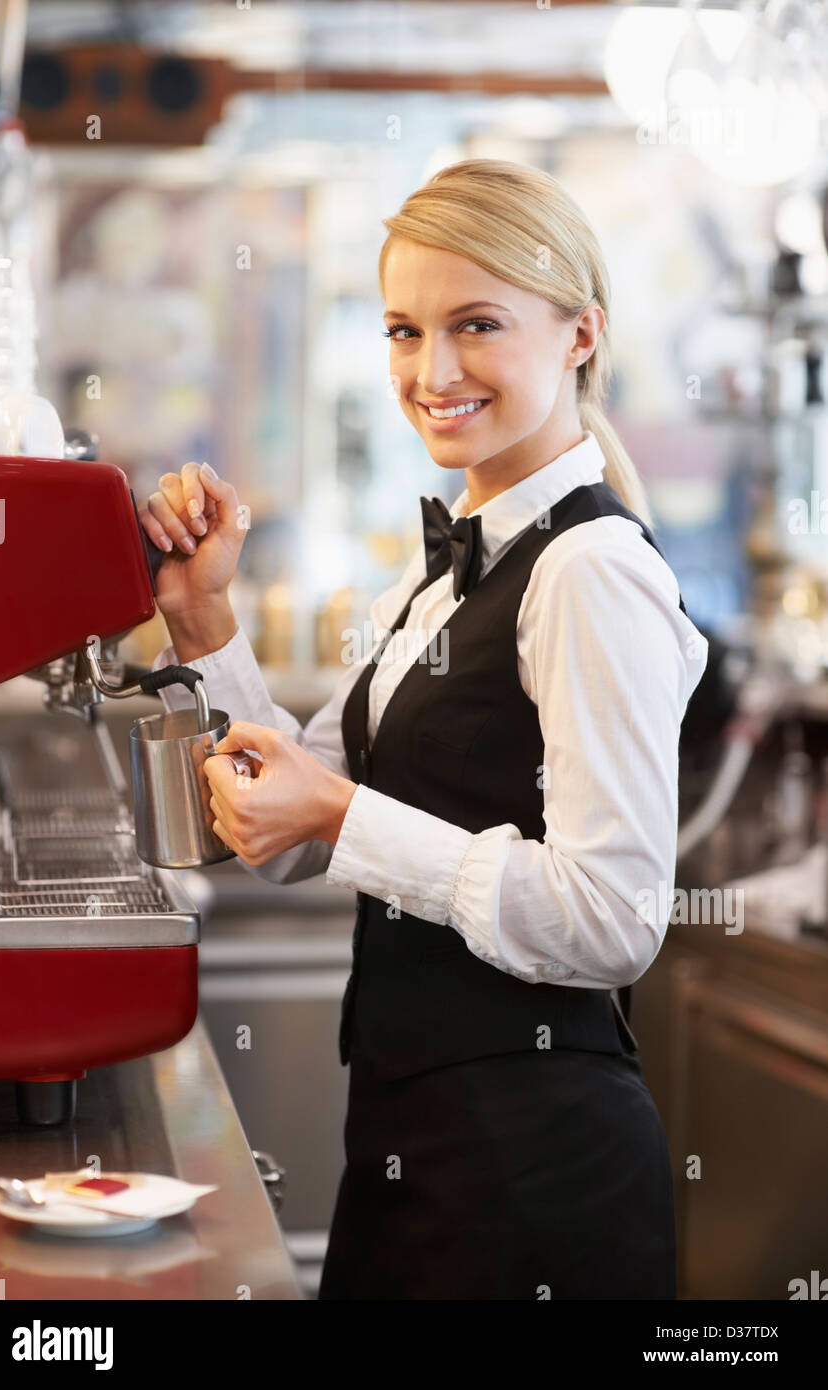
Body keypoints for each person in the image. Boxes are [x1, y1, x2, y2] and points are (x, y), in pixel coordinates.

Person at [138, 158, 709, 1300]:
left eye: (476, 324)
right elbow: (293, 832)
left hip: (539, 1173)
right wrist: (202, 616)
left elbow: (615, 919)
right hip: (417, 1142)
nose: (429, 371)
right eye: (403, 329)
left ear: (579, 334)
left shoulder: (590, 570)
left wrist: (347, 813)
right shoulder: (442, 566)